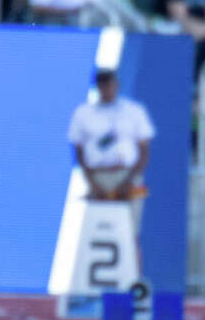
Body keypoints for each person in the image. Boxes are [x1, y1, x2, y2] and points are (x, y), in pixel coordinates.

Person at [67, 65, 156, 231]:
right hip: (98, 177)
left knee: (130, 233)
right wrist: (93, 183)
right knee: (98, 231)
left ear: (116, 85)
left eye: (109, 84)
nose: (106, 88)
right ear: (97, 87)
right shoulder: (83, 113)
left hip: (128, 175)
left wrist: (128, 181)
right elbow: (78, 151)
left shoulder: (134, 111)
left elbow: (144, 151)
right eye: (102, 84)